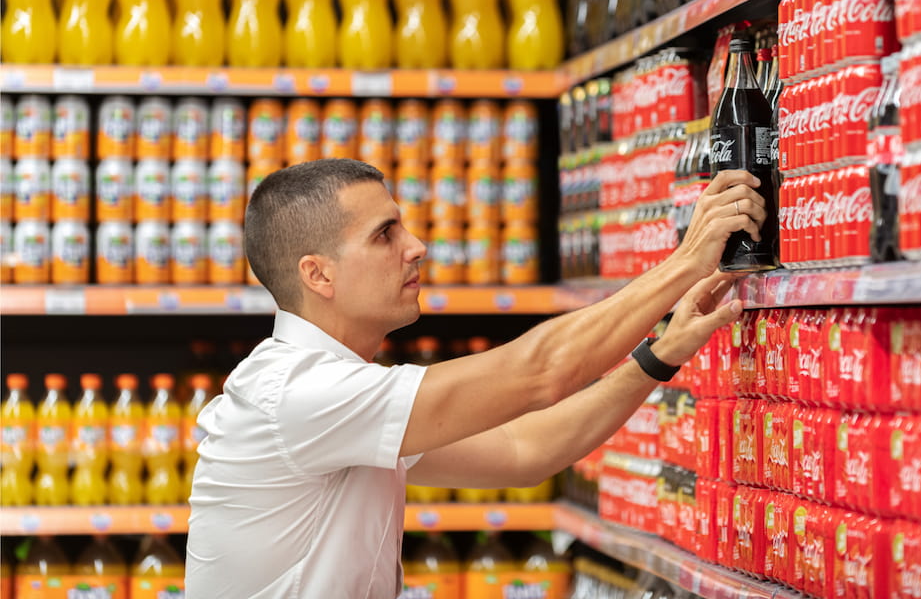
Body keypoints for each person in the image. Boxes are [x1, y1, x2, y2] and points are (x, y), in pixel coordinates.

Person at [184, 158, 766, 597]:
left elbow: (524, 449)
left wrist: (659, 355)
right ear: (318, 274)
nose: (417, 247)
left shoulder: (338, 395)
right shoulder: (299, 395)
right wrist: (689, 260)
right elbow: (538, 372)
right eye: (385, 235)